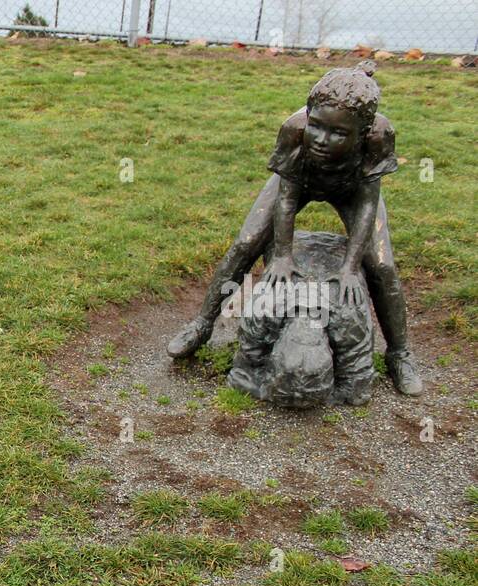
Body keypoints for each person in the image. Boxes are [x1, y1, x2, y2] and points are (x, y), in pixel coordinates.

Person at [167, 61, 422, 397]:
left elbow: (367, 205)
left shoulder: (379, 136)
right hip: (299, 182)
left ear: (363, 131)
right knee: (245, 244)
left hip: (352, 189)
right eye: (316, 126)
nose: (322, 139)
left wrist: (348, 267)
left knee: (382, 265)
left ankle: (399, 353)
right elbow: (286, 199)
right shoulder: (294, 130)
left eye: (339, 133)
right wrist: (283, 255)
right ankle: (202, 324)